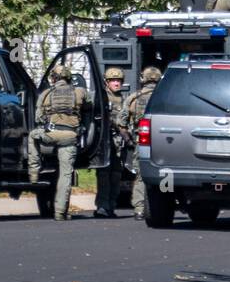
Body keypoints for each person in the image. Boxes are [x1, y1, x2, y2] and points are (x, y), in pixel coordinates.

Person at [28, 63, 88, 221]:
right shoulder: (79, 92)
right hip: (69, 136)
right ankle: (60, 212)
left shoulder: (46, 94)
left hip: (51, 136)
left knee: (33, 135)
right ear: (69, 78)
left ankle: (34, 172)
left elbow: (38, 118)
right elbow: (91, 107)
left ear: (53, 78)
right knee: (65, 175)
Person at [120, 66, 162, 219]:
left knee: (140, 175)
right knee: (165, 173)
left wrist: (129, 140)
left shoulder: (133, 98)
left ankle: (139, 208)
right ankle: (166, 203)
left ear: (143, 79)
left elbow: (121, 123)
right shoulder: (165, 96)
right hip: (164, 142)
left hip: (142, 141)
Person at [94, 67, 126, 217]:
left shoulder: (124, 100)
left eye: (118, 80)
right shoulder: (101, 98)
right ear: (106, 82)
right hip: (105, 142)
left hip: (119, 143)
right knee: (103, 175)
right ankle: (102, 206)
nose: (116, 83)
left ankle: (111, 206)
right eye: (113, 80)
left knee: (116, 175)